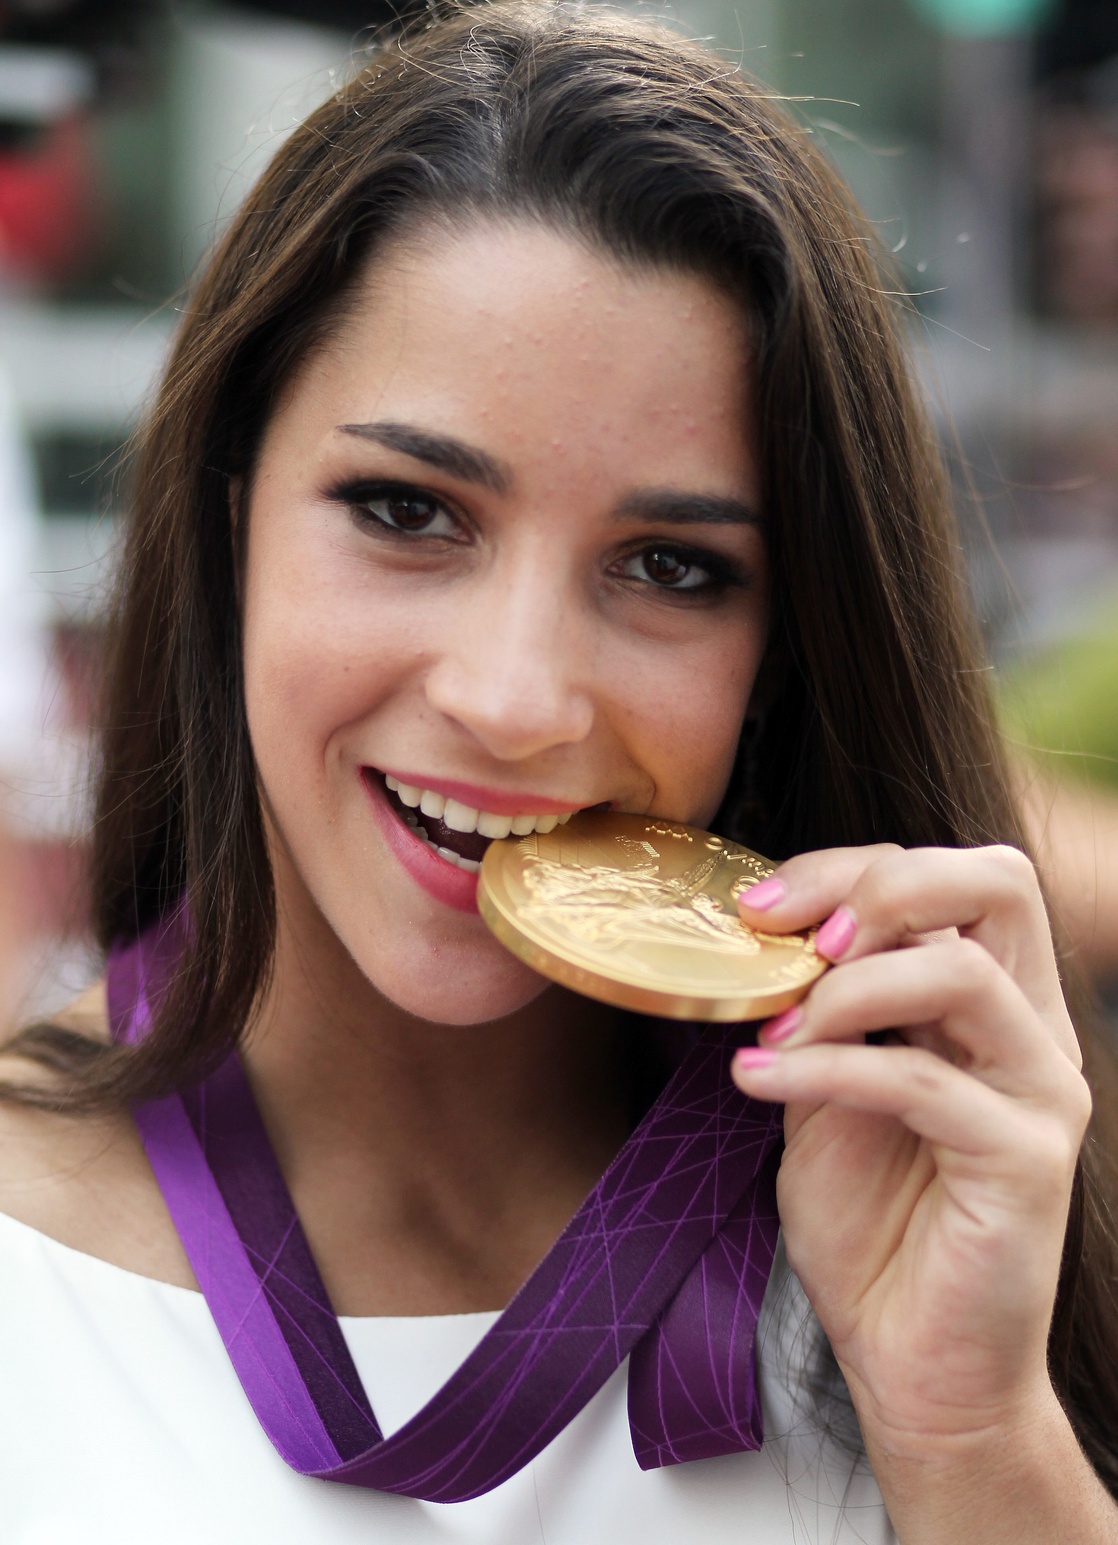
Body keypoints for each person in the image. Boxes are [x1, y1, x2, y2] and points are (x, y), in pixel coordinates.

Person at [0, 5, 1115, 1541]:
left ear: (786, 640)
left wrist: (971, 1429)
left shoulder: (955, 1219)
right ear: (229, 510)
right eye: (405, 511)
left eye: (669, 564)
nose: (515, 698)